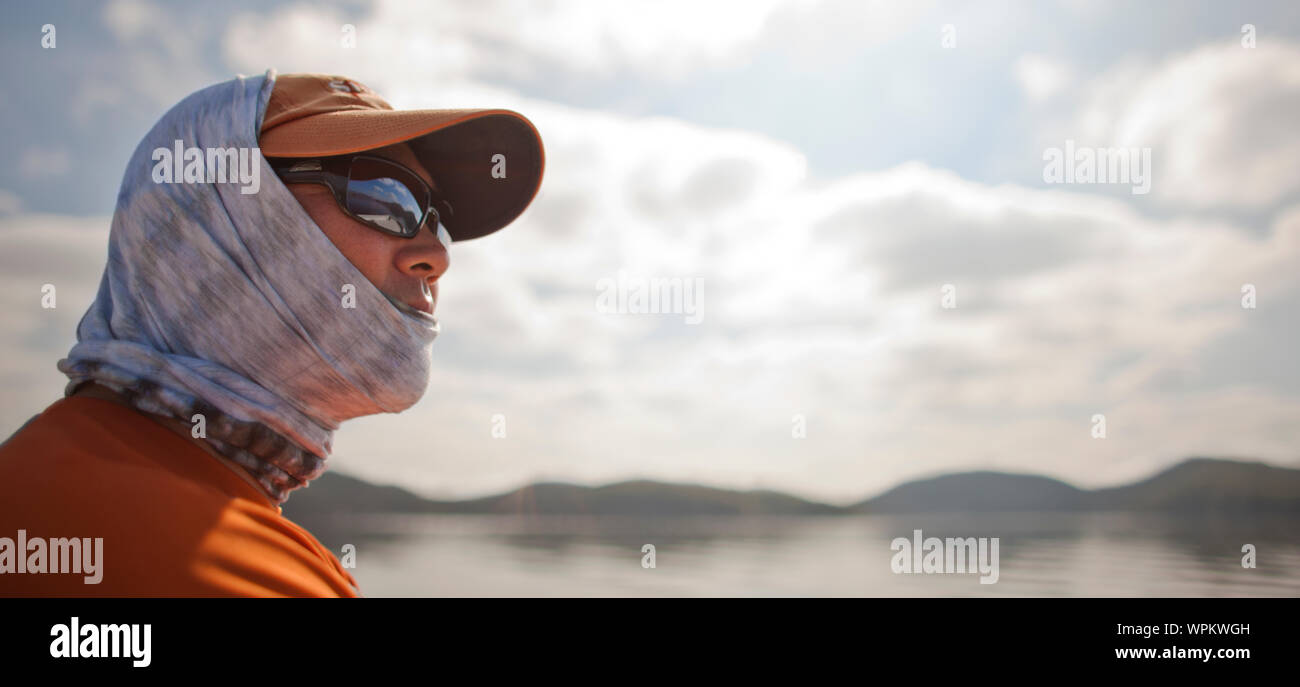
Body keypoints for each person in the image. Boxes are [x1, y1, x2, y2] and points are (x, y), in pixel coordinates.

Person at [0, 70, 544, 597]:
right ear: (213, 214)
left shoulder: (35, 477)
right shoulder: (231, 575)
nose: (436, 256)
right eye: (387, 197)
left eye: (436, 220)